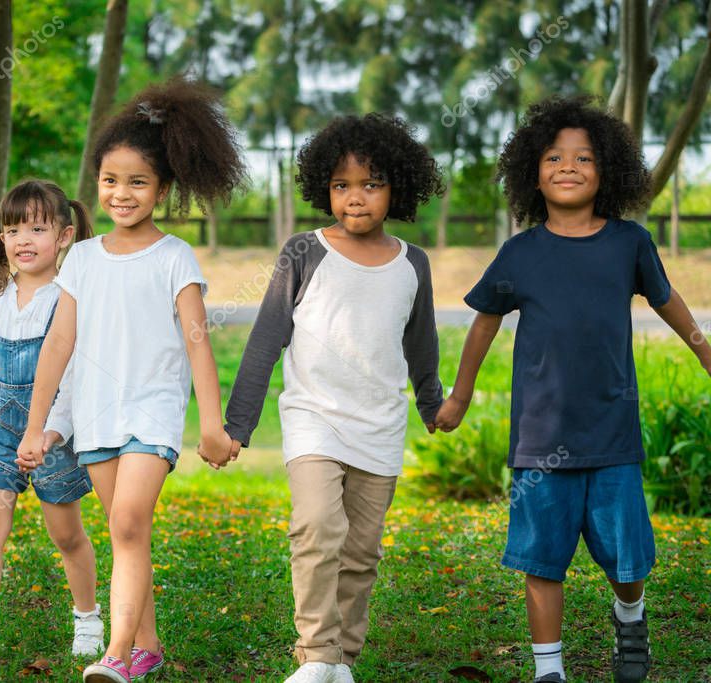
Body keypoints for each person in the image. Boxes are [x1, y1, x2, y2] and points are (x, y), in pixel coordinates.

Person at [434, 96, 711, 683]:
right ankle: (548, 670)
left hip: (612, 436)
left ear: (607, 170)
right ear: (532, 172)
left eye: (584, 157)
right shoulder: (521, 253)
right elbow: (483, 322)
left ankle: (629, 617)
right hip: (540, 442)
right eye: (554, 157)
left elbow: (669, 303)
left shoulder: (629, 243)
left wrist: (706, 351)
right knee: (543, 560)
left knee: (626, 555)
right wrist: (458, 395)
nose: (568, 166)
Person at [16, 78, 248, 683]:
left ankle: (115, 656)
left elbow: (199, 344)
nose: (121, 193)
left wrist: (213, 423)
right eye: (110, 180)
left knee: (127, 524)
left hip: (151, 413)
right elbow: (58, 345)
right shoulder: (83, 258)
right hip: (95, 415)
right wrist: (37, 426)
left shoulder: (175, 256)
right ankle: (147, 647)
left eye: (138, 181)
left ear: (163, 189)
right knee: (125, 535)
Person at [225, 113, 445, 683]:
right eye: (342, 185)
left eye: (371, 184)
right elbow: (265, 339)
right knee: (318, 528)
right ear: (324, 186)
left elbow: (421, 342)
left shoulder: (412, 262)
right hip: (313, 419)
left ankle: (342, 661)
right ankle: (316, 652)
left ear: (397, 187)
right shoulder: (304, 252)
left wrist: (431, 404)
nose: (355, 198)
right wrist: (237, 425)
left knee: (361, 552)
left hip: (380, 424)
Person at [0, 179, 101, 672]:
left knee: (66, 534)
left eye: (37, 229)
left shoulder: (70, 298)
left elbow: (74, 375)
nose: (23, 240)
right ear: (1, 238)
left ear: (63, 236)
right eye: (13, 229)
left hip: (55, 438)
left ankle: (87, 616)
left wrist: (49, 433)